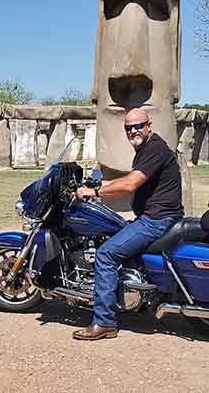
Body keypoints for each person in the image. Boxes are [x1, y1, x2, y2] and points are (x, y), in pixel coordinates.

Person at [72, 108, 184, 341]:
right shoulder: (147, 148)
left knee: (105, 255)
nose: (133, 130)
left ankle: (104, 322)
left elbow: (131, 183)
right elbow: (131, 178)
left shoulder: (154, 148)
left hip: (156, 219)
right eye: (128, 127)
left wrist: (93, 191)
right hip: (155, 216)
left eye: (138, 125)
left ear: (149, 125)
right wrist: (99, 180)